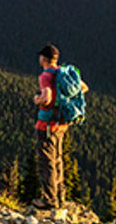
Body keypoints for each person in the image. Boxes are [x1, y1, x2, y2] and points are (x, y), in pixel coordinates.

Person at [31, 44, 88, 210]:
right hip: (61, 123)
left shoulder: (46, 76)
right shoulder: (63, 73)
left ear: (43, 58)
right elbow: (83, 88)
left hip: (46, 125)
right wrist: (65, 100)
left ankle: (49, 199)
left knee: (46, 161)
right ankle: (60, 196)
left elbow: (46, 98)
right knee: (57, 159)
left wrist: (38, 99)